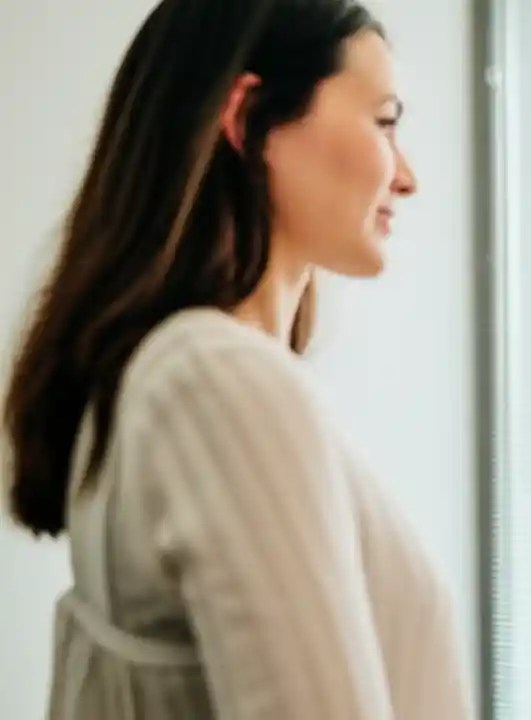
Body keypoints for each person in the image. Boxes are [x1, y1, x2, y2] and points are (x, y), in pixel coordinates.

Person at [1, 1, 471, 718]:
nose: (405, 176)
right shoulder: (215, 380)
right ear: (249, 120)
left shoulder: (168, 376)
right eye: (383, 121)